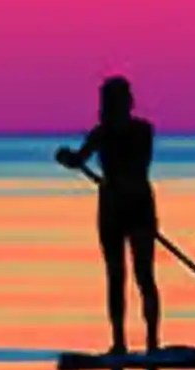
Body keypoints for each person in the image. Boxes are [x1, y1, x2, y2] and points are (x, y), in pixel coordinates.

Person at [56, 76, 161, 354]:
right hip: (112, 209)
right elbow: (79, 159)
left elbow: (139, 165)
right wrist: (68, 158)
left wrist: (121, 185)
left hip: (138, 207)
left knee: (143, 274)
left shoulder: (142, 131)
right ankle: (119, 343)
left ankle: (152, 343)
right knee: (116, 276)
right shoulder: (100, 133)